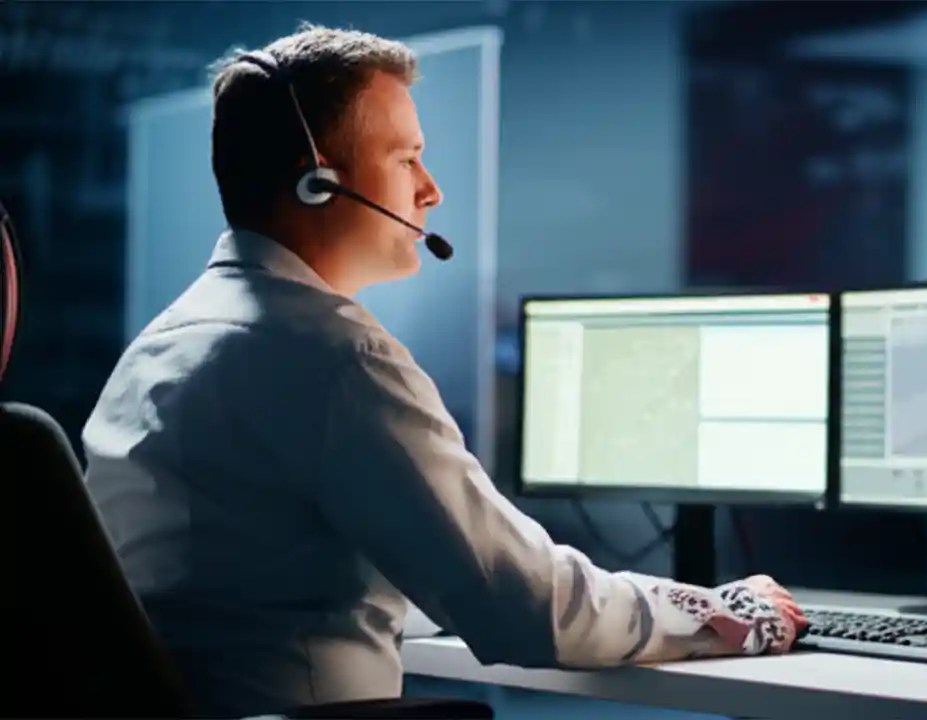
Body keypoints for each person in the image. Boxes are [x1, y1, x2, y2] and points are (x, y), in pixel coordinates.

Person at [81, 23, 807, 718]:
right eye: (406, 158)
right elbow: (530, 608)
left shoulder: (162, 344)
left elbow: (253, 581)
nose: (430, 189)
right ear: (320, 184)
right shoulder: (333, 357)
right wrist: (725, 612)